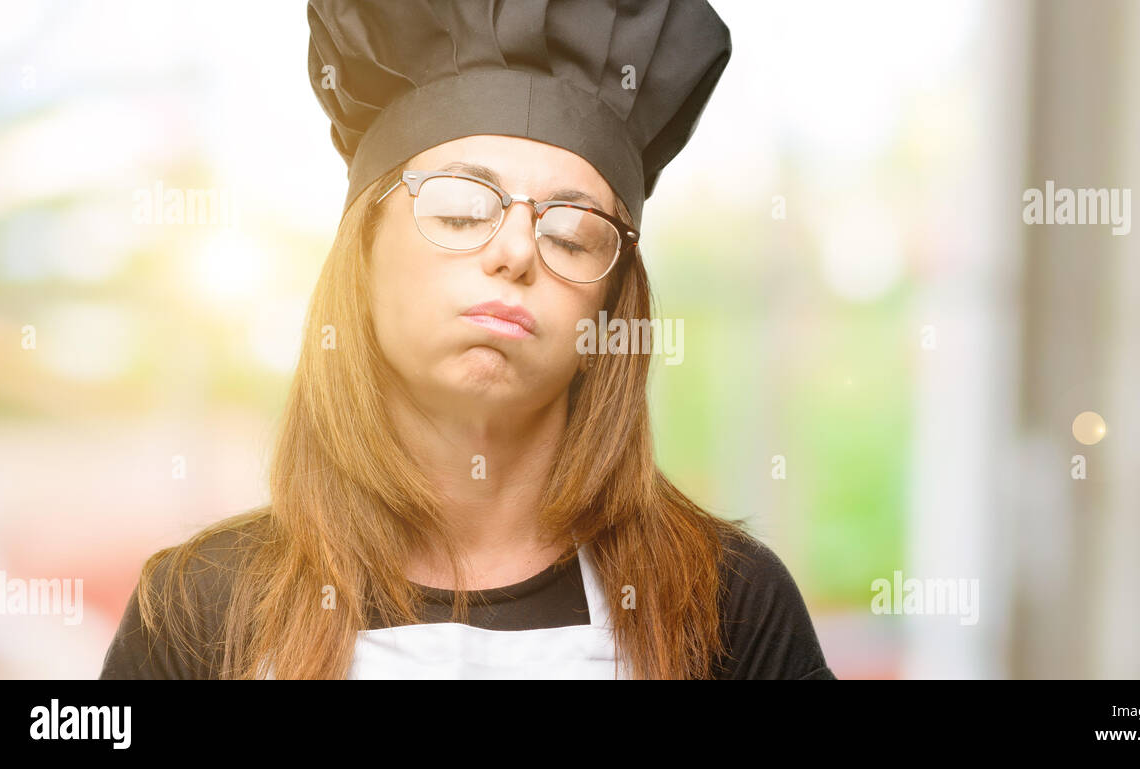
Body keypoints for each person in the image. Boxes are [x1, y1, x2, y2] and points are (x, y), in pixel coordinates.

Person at [99, 0, 835, 680]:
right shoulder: (197, 608)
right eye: (458, 210)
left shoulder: (732, 607)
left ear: (610, 308)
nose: (515, 251)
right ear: (361, 253)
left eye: (572, 235)